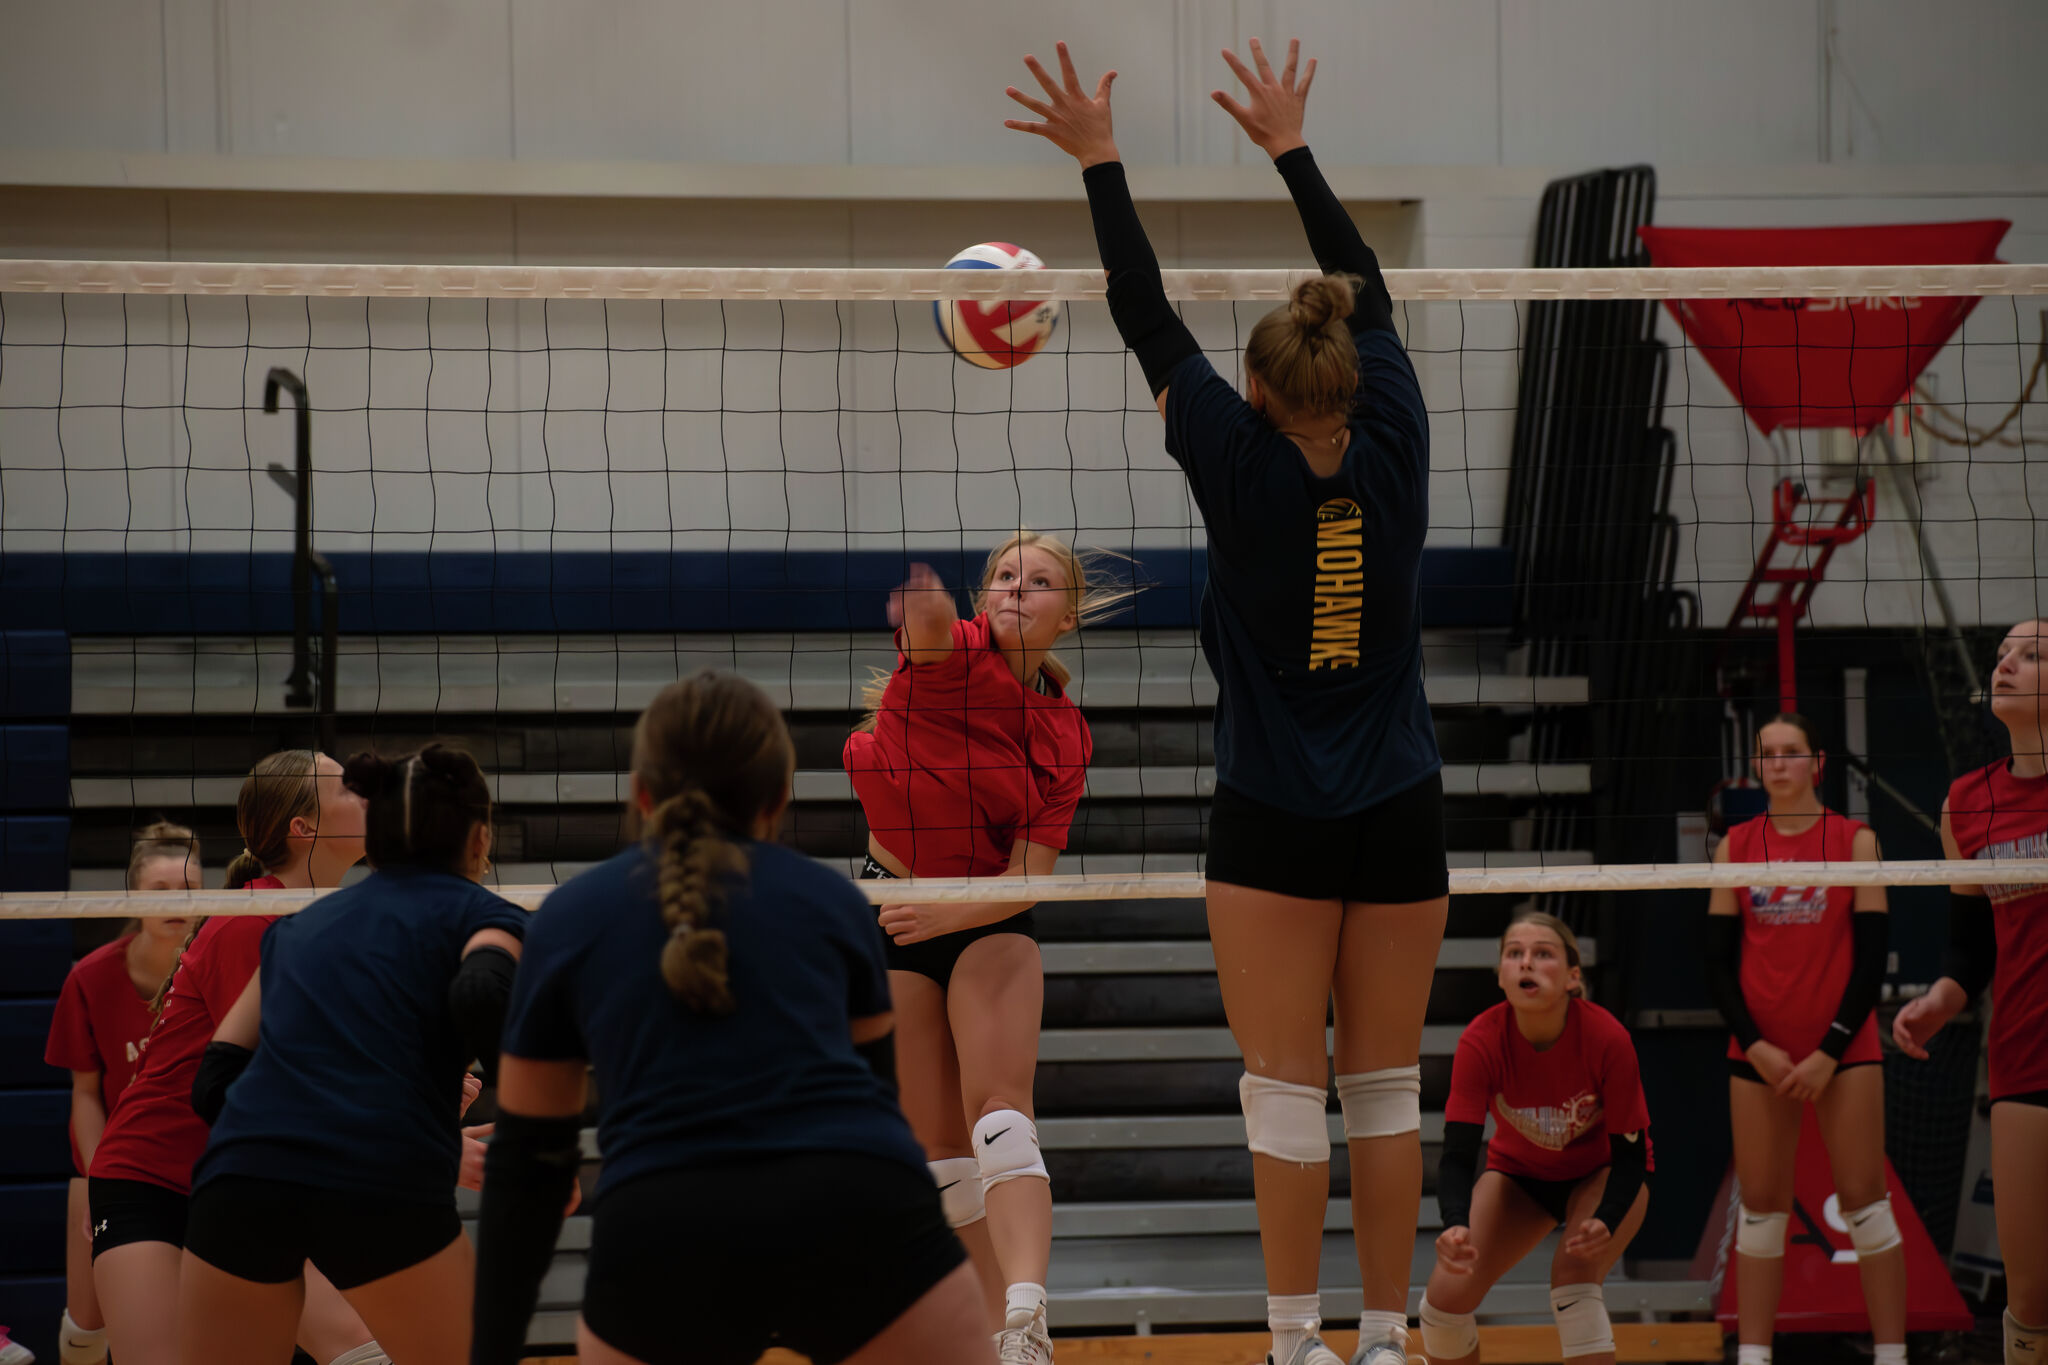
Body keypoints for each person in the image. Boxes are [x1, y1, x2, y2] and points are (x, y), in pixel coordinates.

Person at [1005, 34, 1445, 1365]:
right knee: (1381, 1093)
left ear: (1254, 392)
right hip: (1400, 805)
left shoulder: (1234, 462)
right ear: (1349, 379)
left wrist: (1100, 157)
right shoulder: (1399, 434)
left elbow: (1143, 310)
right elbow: (1360, 288)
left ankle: (1295, 1341)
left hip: (1270, 814)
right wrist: (1290, 148)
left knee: (1283, 1097)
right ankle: (1382, 1338)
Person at [472, 671, 993, 1365]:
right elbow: (878, 1097)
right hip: (855, 1207)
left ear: (642, 795)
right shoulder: (833, 901)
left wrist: (490, 1353)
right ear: (777, 798)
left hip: (664, 1228)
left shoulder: (570, 918)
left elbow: (529, 1163)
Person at [842, 533, 1113, 1361]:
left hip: (983, 916)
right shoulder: (956, 651)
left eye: (1036, 582)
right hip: (896, 913)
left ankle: (1030, 1307)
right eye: (1002, 576)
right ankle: (1003, 1340)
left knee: (1001, 1118)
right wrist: (925, 611)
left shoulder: (1066, 733)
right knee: (942, 1160)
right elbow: (927, 645)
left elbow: (1030, 876)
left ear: (1067, 615)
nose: (1013, 591)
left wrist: (947, 914)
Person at [177, 745, 525, 1365]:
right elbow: (482, 996)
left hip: (241, 1181)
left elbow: (214, 1082)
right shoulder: (487, 915)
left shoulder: (294, 928)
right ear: (480, 838)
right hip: (377, 1177)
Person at [87, 752, 381, 1365]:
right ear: (307, 828)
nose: (368, 796)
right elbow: (271, 1086)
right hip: (152, 1185)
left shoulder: (321, 921)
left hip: (242, 1185)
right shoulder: (254, 920)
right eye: (349, 788)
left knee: (362, 1352)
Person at [1700, 714, 1902, 1365]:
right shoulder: (1734, 844)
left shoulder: (1855, 839)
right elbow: (1717, 962)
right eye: (1768, 754)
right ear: (1757, 766)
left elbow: (1873, 958)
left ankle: (1892, 1354)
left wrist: (1828, 1050)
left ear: (1817, 762)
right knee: (1761, 1208)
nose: (1779, 763)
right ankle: (1755, 1355)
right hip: (1759, 1051)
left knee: (1866, 1202)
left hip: (1842, 1050)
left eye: (1791, 752)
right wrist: (1755, 1044)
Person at [1895, 618, 2048, 1365]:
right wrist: (1941, 999)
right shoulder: (1968, 801)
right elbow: (1972, 943)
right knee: (2033, 1292)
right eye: (2002, 655)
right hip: (2023, 1049)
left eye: (2033, 653)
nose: (2008, 664)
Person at [1422, 913, 1650, 1365]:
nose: (1526, 963)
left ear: (1572, 977)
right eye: (1515, 954)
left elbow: (1631, 1157)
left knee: (1574, 1287)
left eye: (1543, 953)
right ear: (1501, 976)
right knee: (1443, 1307)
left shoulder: (1608, 1038)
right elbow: (1457, 1154)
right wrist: (1453, 1223)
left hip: (1602, 1174)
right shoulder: (1480, 1041)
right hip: (1520, 1177)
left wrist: (1606, 1218)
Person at [41, 823, 201, 1365]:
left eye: (190, 890)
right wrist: (97, 1177)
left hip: (202, 1164)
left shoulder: (220, 966)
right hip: (121, 1165)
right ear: (133, 894)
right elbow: (86, 1094)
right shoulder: (89, 978)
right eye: (161, 891)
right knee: (85, 1332)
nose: (177, 902)